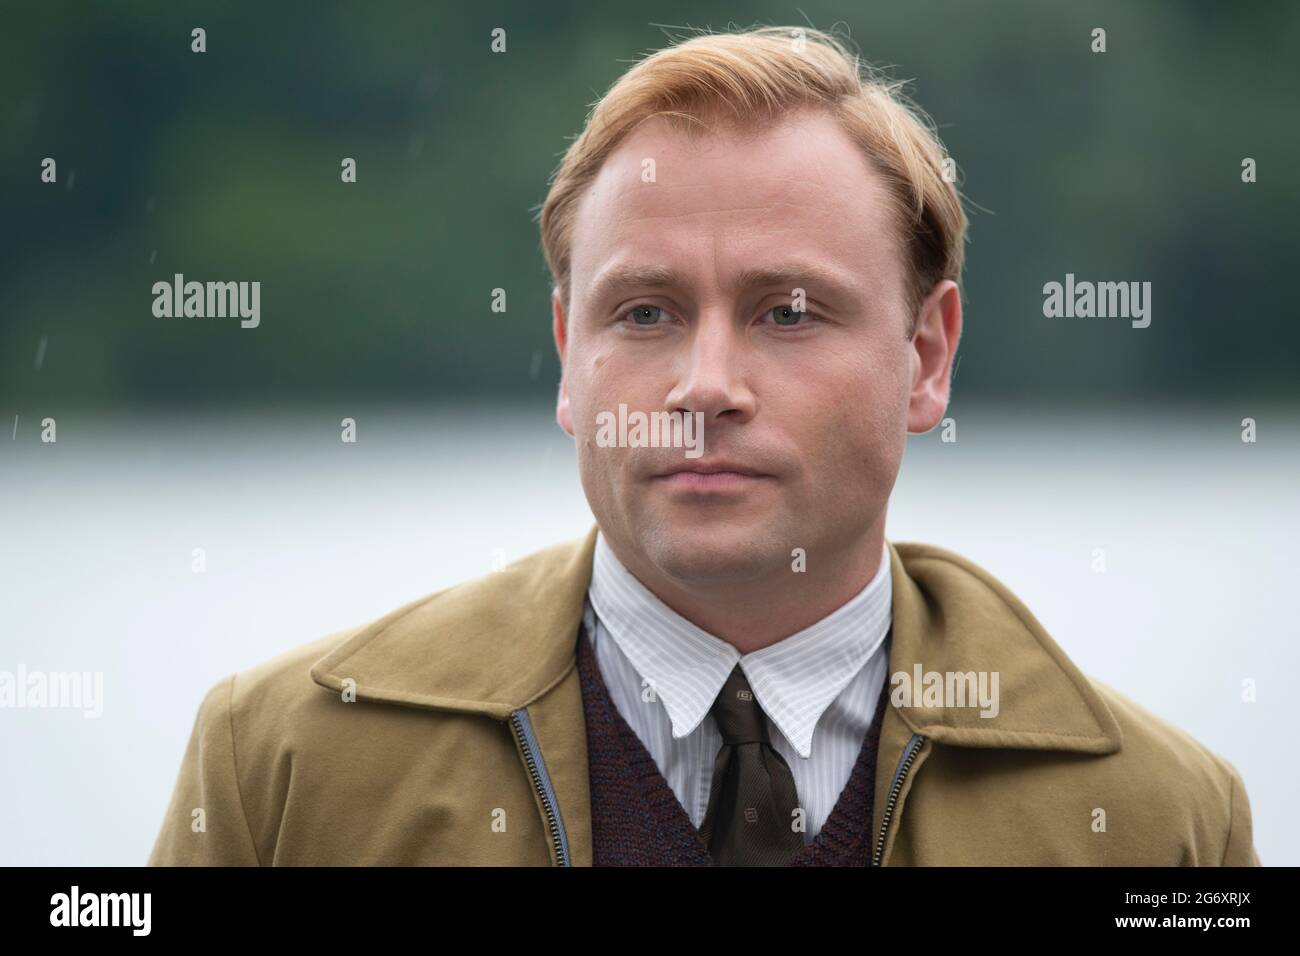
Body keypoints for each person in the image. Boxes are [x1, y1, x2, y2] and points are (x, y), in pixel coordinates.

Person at [148, 25, 1259, 866]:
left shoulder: (1159, 822)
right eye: (643, 313)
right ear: (568, 355)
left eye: (787, 312)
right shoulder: (286, 766)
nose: (705, 385)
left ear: (925, 357)